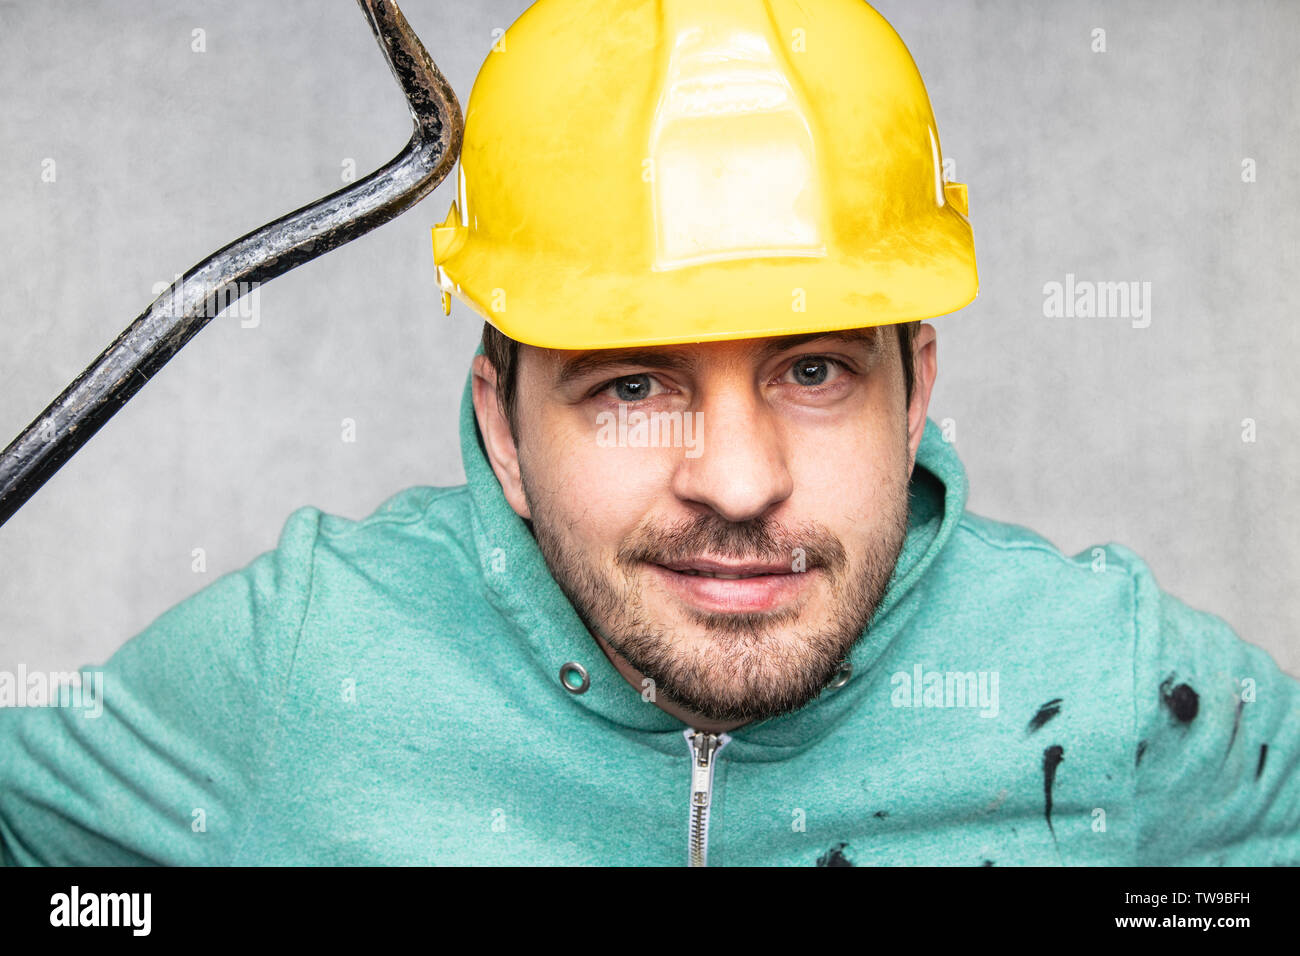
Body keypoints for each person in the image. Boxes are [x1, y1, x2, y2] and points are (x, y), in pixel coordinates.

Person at [2, 0, 1296, 867]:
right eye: (630, 386)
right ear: (501, 426)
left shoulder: (1121, 694)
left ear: (917, 391)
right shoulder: (302, 678)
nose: (736, 481)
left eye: (813, 369)